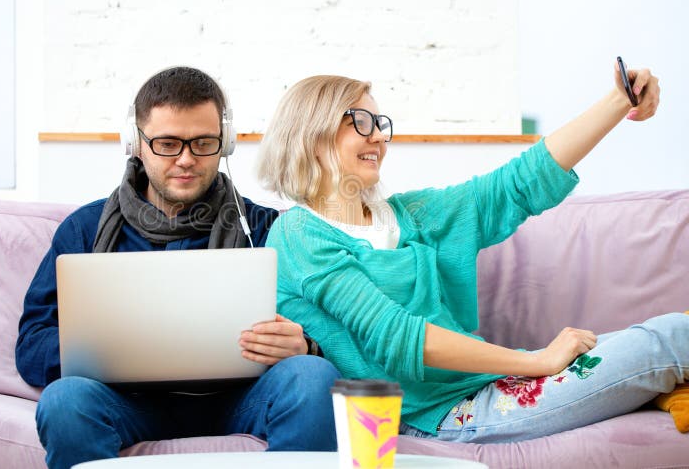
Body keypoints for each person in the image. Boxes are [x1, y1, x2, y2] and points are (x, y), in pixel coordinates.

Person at [256, 65, 689, 443]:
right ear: (312, 133)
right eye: (361, 121)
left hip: (486, 387)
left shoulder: (414, 214)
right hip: (433, 417)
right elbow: (396, 337)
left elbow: (519, 182)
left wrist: (618, 102)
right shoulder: (298, 234)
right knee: (671, 341)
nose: (378, 138)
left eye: (380, 123)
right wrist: (535, 360)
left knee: (674, 331)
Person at [16, 66, 340, 469]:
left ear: (227, 143)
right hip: (127, 402)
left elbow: (326, 336)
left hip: (242, 397)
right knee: (65, 400)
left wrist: (302, 345)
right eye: (167, 143)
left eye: (203, 143)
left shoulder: (264, 228)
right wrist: (102, 347)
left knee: (313, 376)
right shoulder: (85, 229)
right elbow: (31, 345)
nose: (186, 160)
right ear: (135, 143)